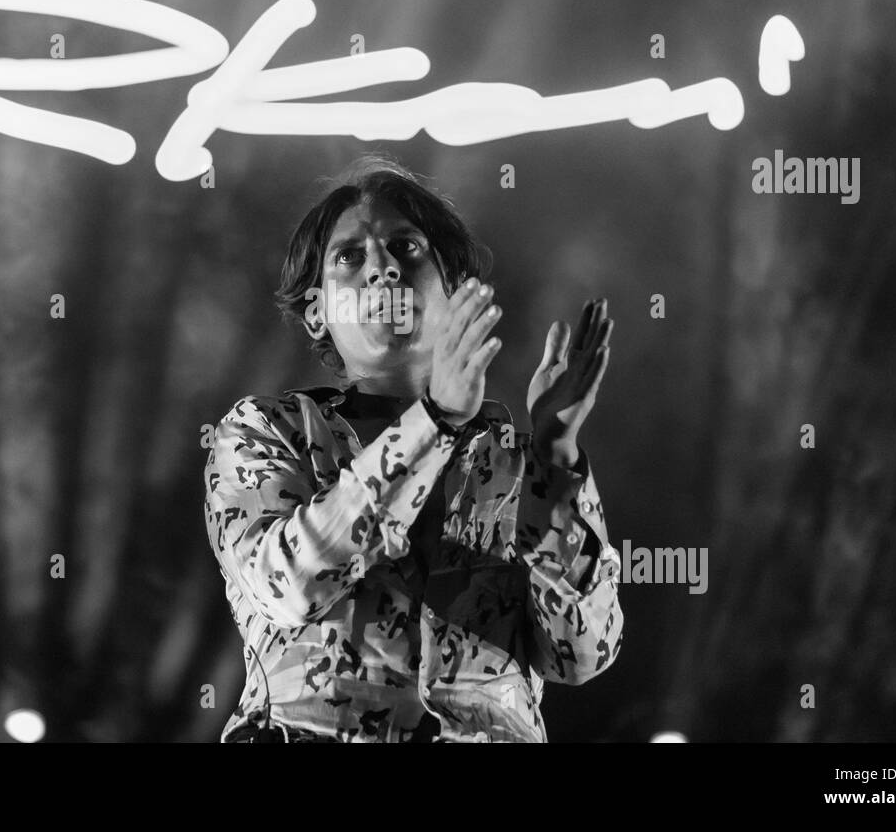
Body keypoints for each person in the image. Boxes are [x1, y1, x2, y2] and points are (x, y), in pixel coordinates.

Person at [203, 155, 623, 742]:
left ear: (449, 289)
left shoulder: (518, 465)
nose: (382, 270)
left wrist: (555, 451)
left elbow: (580, 655)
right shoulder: (267, 432)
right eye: (349, 257)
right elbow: (287, 585)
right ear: (317, 313)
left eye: (407, 248)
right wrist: (434, 420)